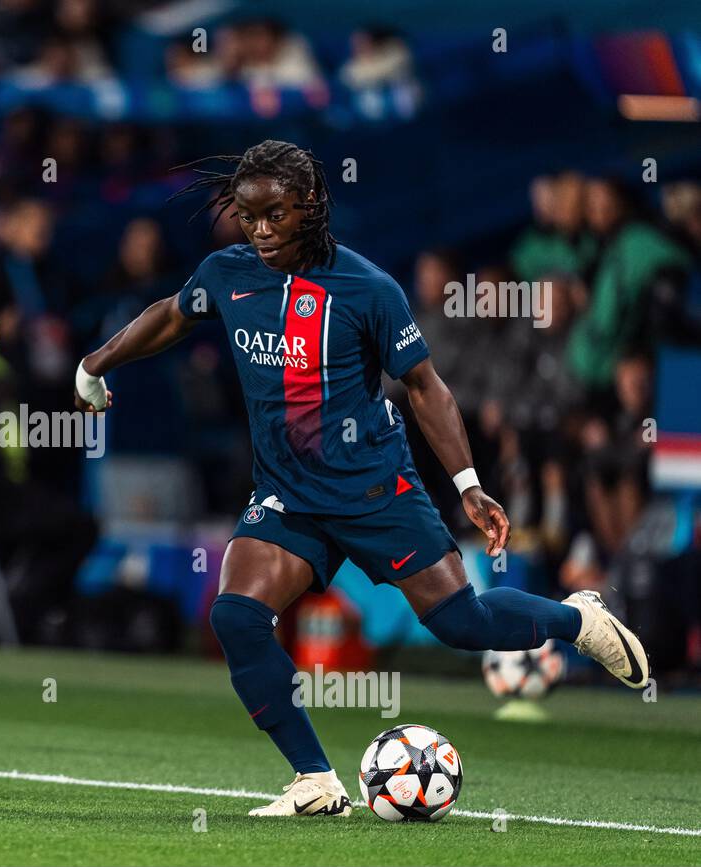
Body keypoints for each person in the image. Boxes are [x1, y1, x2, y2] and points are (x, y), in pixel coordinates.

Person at [73, 139, 650, 819]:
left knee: (463, 624)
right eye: (248, 216)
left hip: (376, 488)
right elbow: (171, 313)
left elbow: (425, 387)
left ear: (309, 205)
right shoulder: (226, 273)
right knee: (236, 615)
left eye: (274, 216)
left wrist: (467, 481)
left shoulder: (367, 288)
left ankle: (576, 619)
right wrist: (95, 364)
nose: (259, 231)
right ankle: (315, 780)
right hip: (289, 493)